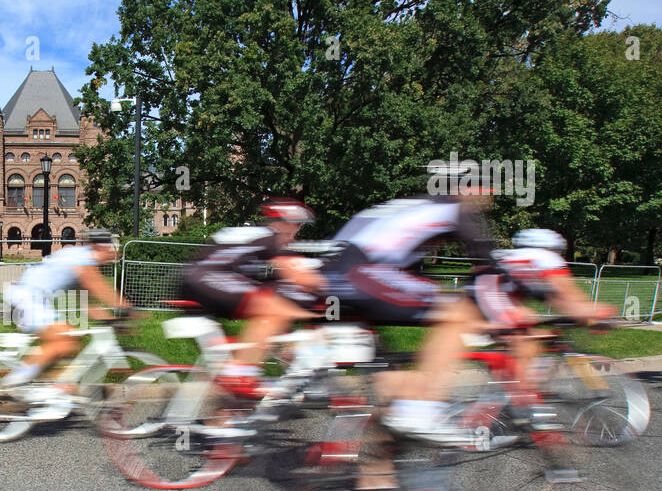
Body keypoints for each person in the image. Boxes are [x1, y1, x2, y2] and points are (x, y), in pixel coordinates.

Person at [322, 175, 497, 444]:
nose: (488, 199)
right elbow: (488, 272)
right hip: (360, 272)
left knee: (393, 391)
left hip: (335, 276)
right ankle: (424, 409)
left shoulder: (413, 208)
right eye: (485, 191)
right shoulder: (455, 209)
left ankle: (370, 480)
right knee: (459, 315)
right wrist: (503, 317)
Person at [179, 199, 322, 394]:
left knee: (235, 366)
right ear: (286, 222)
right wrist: (328, 292)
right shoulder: (271, 236)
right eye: (297, 225)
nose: (296, 231)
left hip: (192, 278)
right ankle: (241, 374)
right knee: (277, 309)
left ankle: (227, 416)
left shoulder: (255, 235)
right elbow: (298, 276)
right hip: (209, 277)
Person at [2, 229, 131, 418]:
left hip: (32, 296)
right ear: (99, 246)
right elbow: (97, 287)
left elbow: (87, 303)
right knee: (62, 339)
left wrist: (110, 320)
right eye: (112, 249)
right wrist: (127, 308)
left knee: (71, 339)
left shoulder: (80, 261)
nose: (115, 254)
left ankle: (52, 390)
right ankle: (15, 382)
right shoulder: (83, 260)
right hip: (28, 296)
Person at [473, 229, 614, 391]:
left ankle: (509, 390)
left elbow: (551, 295)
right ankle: (517, 395)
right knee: (523, 338)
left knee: (529, 334)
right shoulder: (546, 257)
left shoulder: (513, 256)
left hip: (485, 294)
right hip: (493, 297)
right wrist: (597, 315)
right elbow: (569, 297)